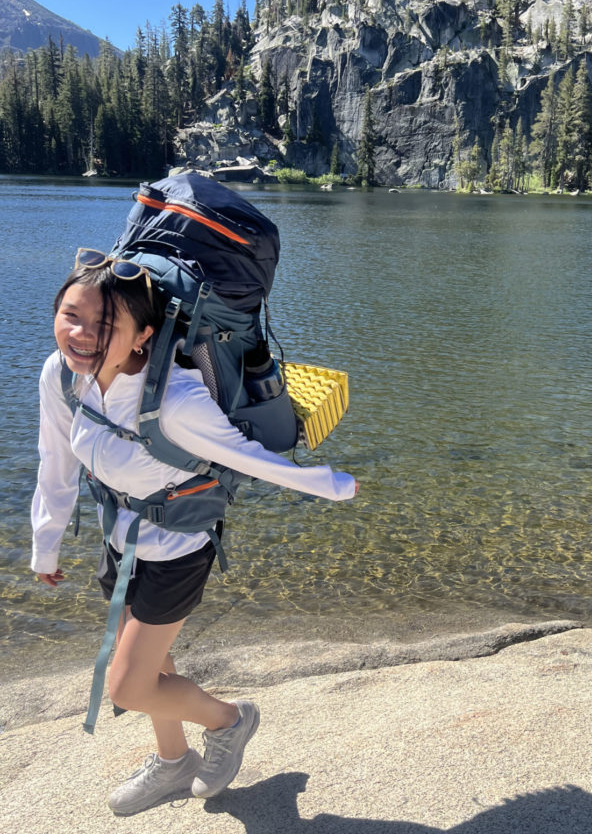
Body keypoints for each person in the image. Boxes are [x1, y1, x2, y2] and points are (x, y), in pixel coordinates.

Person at [30, 252, 358, 816]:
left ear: (143, 336)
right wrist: (46, 542)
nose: (80, 335)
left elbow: (247, 458)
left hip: (177, 551)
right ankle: (174, 760)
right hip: (119, 539)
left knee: (127, 687)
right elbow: (55, 459)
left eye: (104, 326)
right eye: (70, 315)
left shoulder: (177, 403)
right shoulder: (62, 377)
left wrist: (333, 484)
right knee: (153, 665)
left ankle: (231, 720)